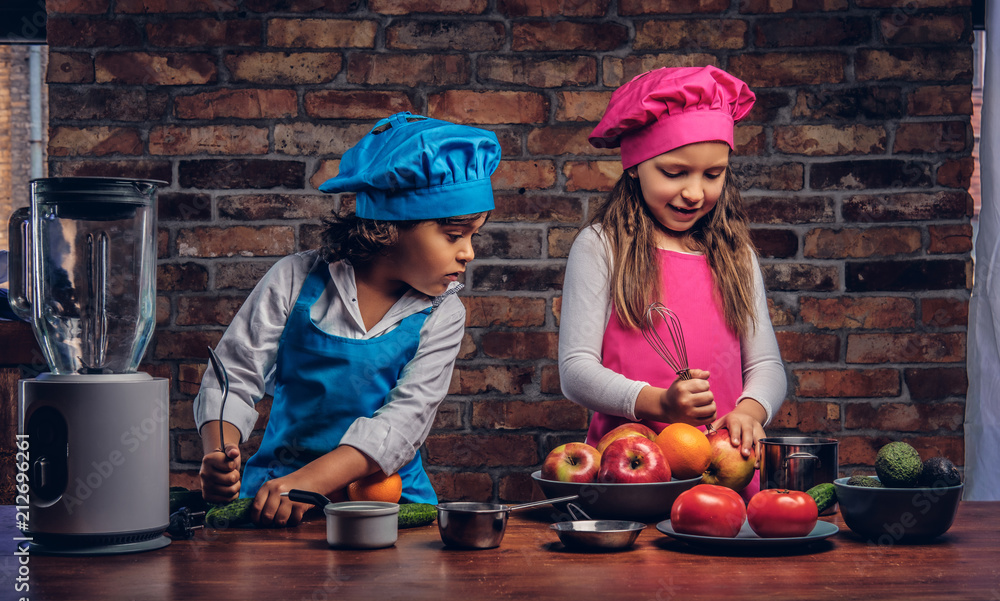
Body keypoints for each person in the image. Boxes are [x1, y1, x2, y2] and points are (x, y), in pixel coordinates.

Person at [195, 112, 502, 526]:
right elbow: (233, 373)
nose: (468, 252)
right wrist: (219, 454)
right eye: (454, 236)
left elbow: (402, 422)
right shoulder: (294, 278)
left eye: (472, 236)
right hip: (275, 502)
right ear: (392, 226)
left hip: (387, 508)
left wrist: (313, 480)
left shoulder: (443, 312)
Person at [558, 66, 787, 497]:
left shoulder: (736, 256)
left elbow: (766, 366)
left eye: (712, 174)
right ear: (634, 166)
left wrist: (751, 411)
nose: (695, 192)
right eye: (674, 172)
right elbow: (576, 372)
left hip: (725, 481)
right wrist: (660, 403)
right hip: (626, 477)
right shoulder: (602, 246)